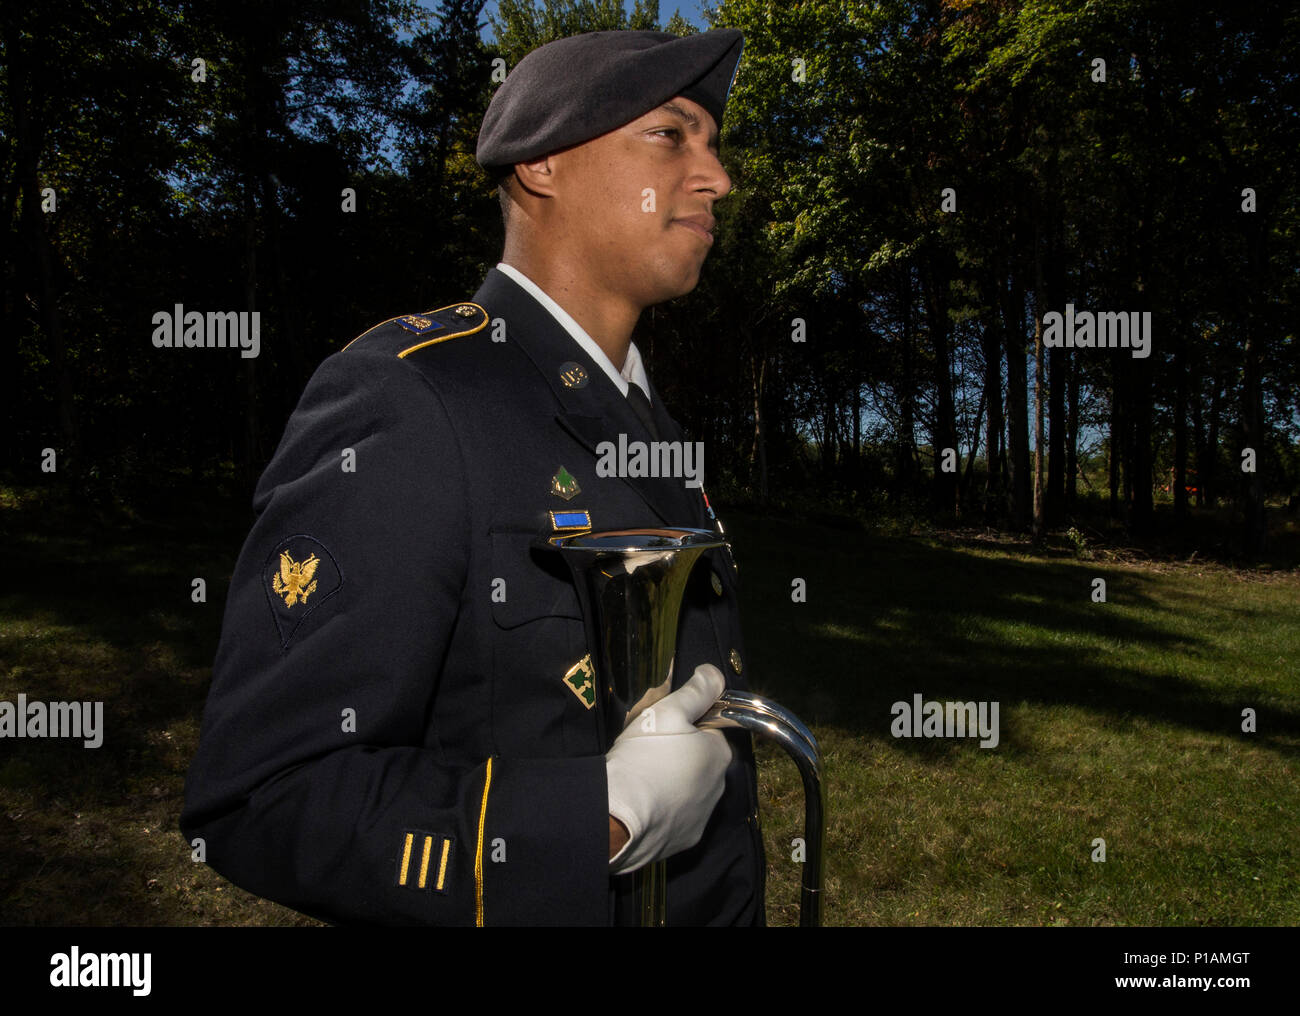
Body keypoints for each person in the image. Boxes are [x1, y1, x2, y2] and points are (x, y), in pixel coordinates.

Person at [180, 28, 764, 926]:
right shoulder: (413, 394)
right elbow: (266, 796)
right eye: (670, 135)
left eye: (714, 143)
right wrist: (593, 820)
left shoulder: (653, 427)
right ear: (543, 167)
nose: (716, 175)